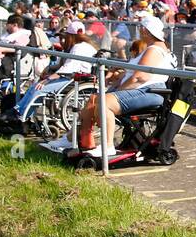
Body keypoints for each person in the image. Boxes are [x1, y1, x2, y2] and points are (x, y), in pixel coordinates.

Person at [64, 15, 176, 158]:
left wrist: (119, 90)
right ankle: (73, 139)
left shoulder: (153, 50)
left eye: (141, 29)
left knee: (104, 103)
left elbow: (140, 77)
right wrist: (117, 79)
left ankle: (107, 146)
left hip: (149, 91)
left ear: (145, 31)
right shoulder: (152, 48)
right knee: (93, 100)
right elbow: (133, 74)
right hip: (145, 90)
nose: (139, 32)